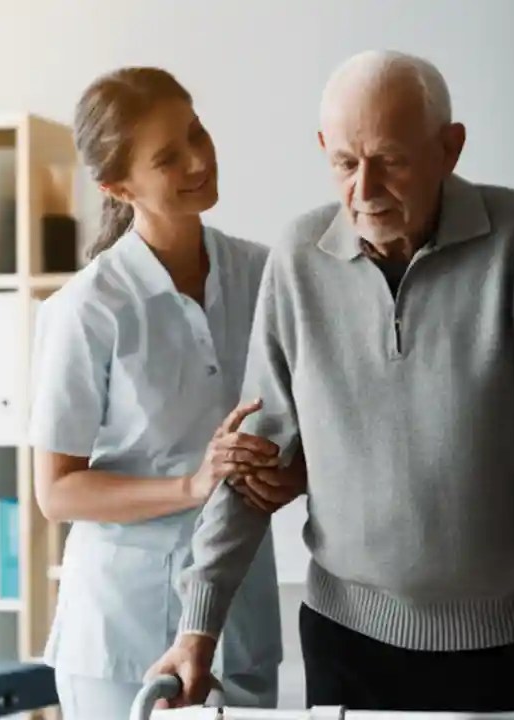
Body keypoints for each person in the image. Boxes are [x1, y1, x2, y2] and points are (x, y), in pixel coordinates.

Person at [147, 49, 514, 718]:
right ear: (323, 149)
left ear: (449, 148)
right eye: (345, 163)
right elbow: (254, 463)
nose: (365, 191)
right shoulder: (299, 258)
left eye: (391, 161)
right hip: (344, 639)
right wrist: (196, 632)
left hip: (508, 646)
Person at [27, 66, 307, 720]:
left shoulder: (265, 275)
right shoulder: (87, 308)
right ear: (117, 187)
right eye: (168, 157)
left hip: (241, 625)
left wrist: (291, 477)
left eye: (197, 134)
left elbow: (309, 423)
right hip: (121, 641)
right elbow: (57, 492)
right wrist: (192, 484)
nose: (199, 160)